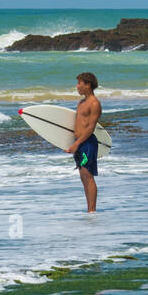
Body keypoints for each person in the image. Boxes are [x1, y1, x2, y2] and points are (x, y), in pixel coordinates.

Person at [65, 72, 101, 213]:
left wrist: (77, 143)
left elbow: (91, 128)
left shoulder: (94, 103)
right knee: (83, 176)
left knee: (88, 175)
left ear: (88, 84)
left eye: (80, 83)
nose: (77, 86)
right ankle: (89, 209)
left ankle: (92, 211)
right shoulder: (81, 102)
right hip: (79, 143)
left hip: (87, 143)